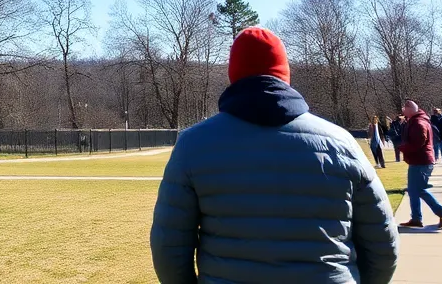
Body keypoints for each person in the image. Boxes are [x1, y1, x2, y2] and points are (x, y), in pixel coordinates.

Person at [151, 27, 397, 284]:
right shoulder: (341, 142)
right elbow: (383, 245)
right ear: (284, 74)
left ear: (233, 74)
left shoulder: (193, 144)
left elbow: (169, 248)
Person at [401, 100, 442, 229]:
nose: (403, 111)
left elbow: (419, 142)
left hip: (421, 161)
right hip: (418, 160)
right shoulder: (416, 120)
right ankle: (416, 219)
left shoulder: (419, 122)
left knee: (418, 189)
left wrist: (403, 148)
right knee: (413, 191)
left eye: (404, 109)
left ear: (410, 109)